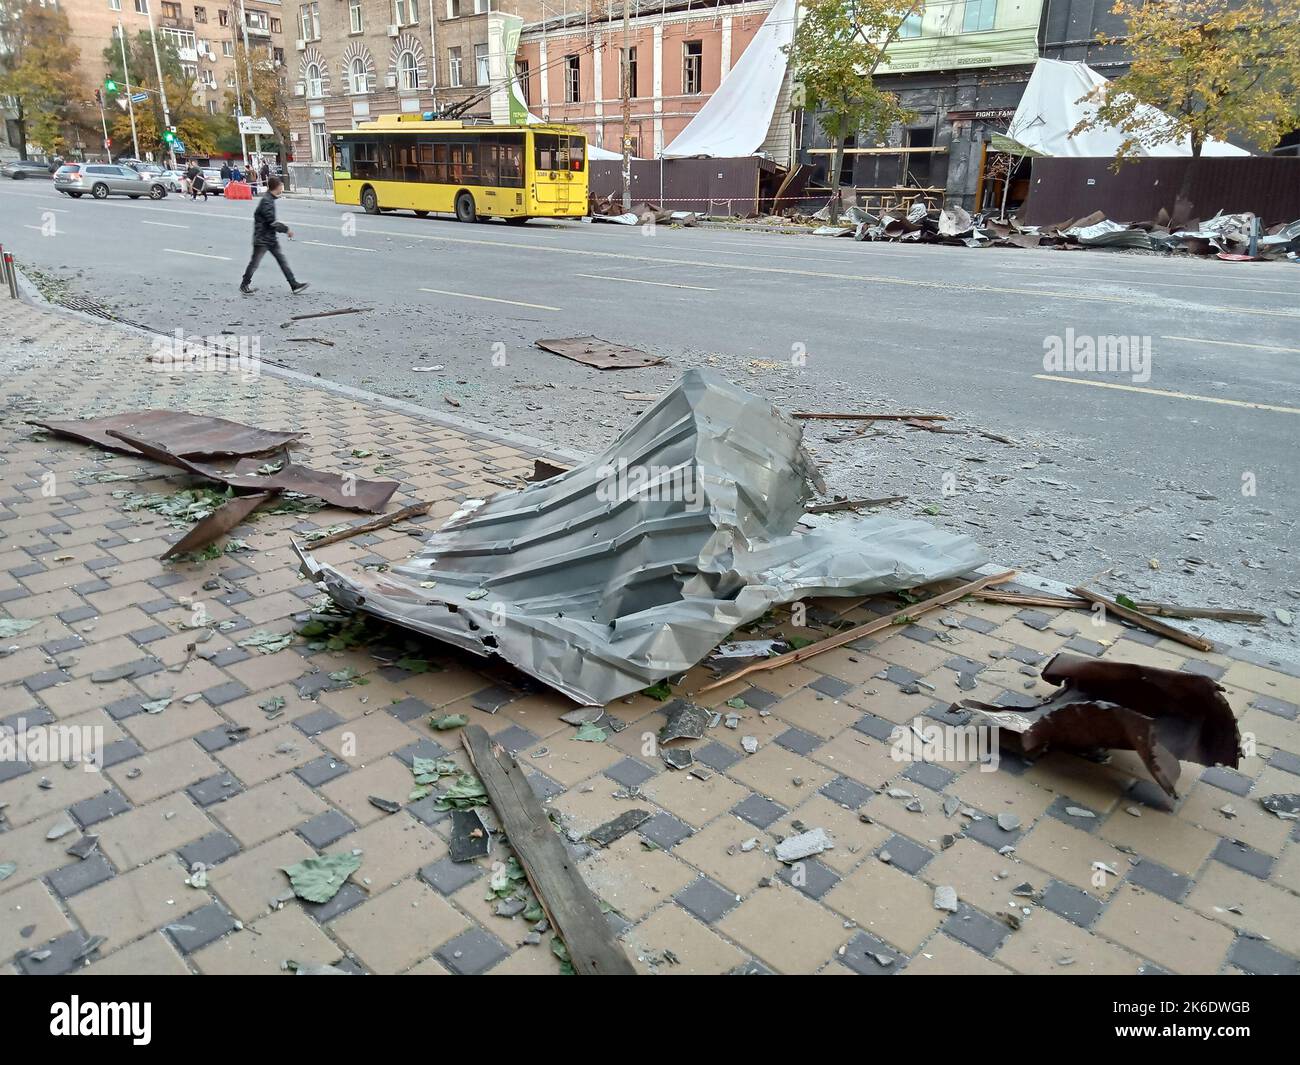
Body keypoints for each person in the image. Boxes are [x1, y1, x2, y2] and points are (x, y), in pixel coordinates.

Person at [239, 176, 308, 295]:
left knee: (282, 261)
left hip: (269, 238)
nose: (282, 187)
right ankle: (244, 284)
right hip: (262, 239)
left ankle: (293, 284)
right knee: (255, 263)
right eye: (281, 185)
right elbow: (272, 222)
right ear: (276, 187)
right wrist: (286, 230)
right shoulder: (266, 201)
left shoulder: (269, 199)